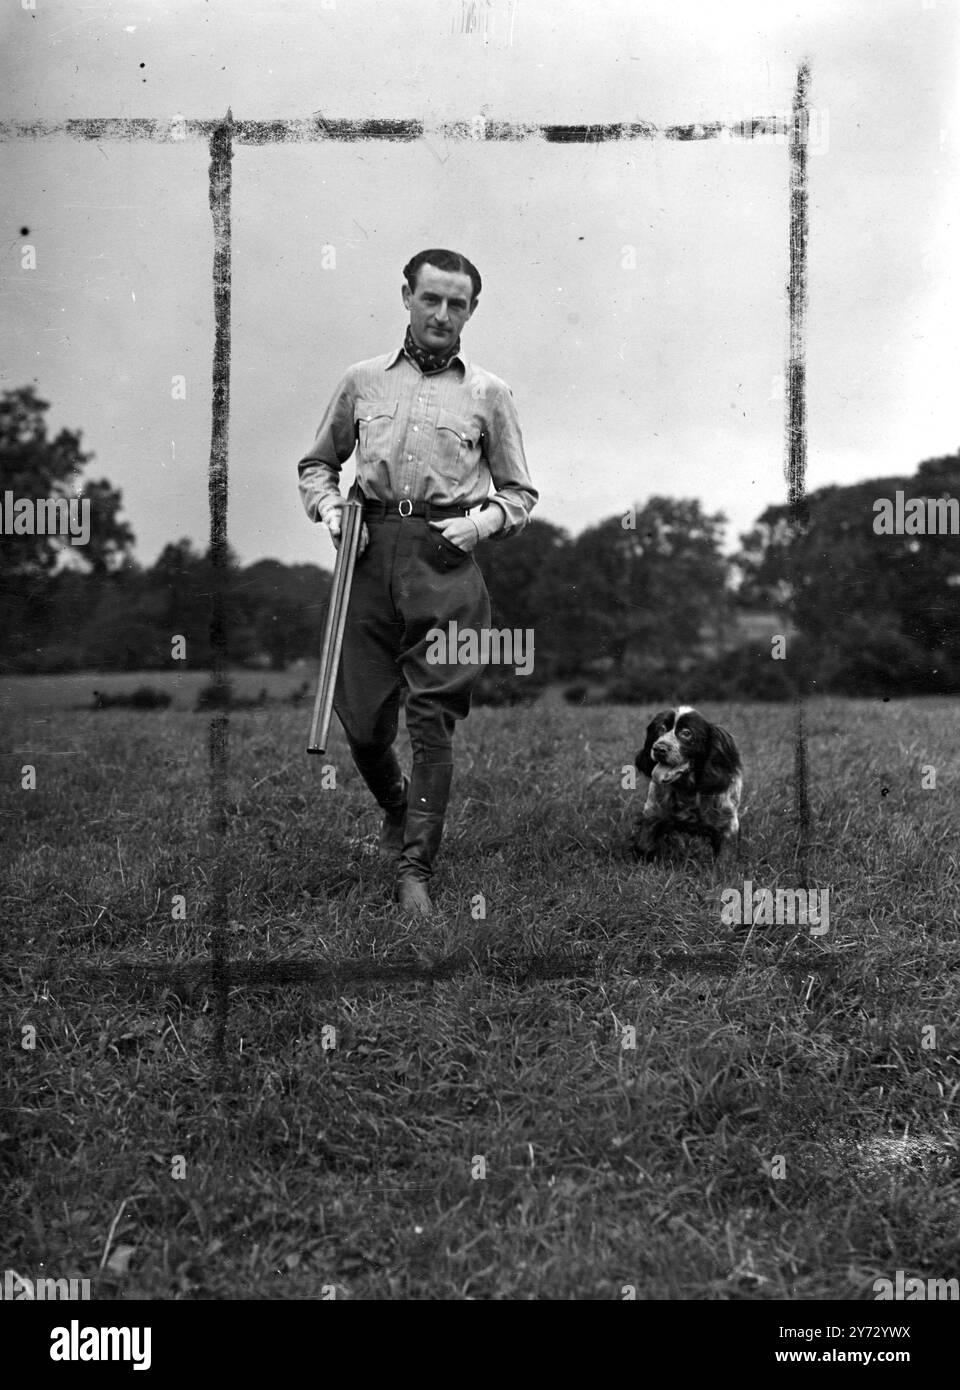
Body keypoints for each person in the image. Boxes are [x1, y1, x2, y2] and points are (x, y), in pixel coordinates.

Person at [297, 248, 538, 915]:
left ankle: (414, 871)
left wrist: (485, 521)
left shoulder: (489, 393)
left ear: (472, 310)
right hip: (368, 560)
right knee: (365, 728)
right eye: (430, 299)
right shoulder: (361, 381)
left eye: (456, 303)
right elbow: (318, 465)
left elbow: (519, 491)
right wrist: (329, 511)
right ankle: (400, 808)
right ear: (406, 296)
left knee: (432, 721)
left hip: (447, 565)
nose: (442, 314)